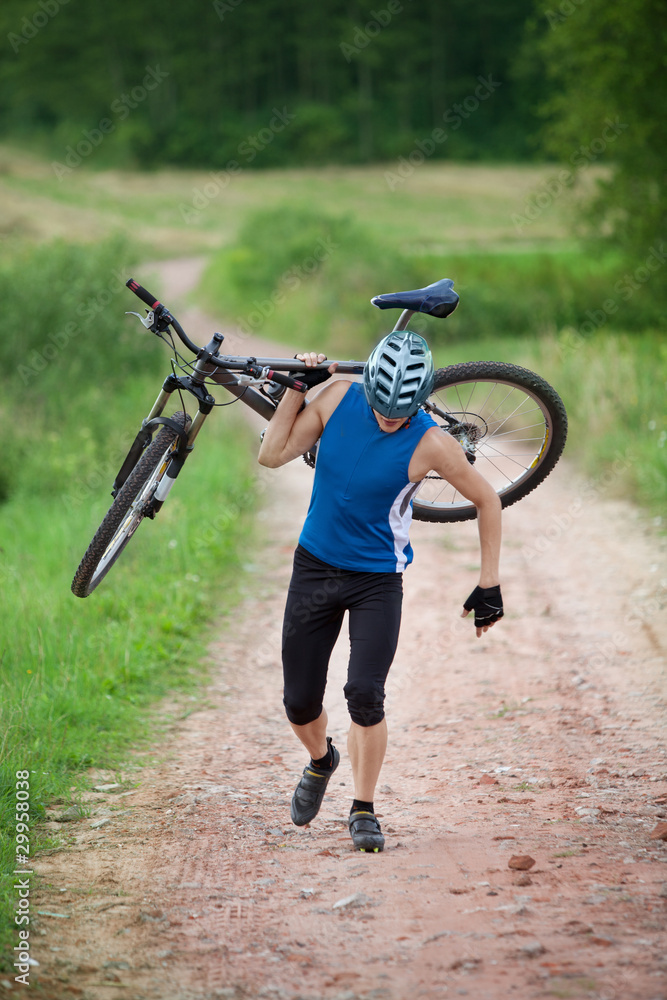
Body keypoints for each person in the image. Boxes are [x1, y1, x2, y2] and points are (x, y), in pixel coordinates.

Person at [257, 330, 503, 852]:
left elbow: (488, 500)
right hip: (315, 568)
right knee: (299, 702)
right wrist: (297, 388)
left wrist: (489, 582)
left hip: (376, 582)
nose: (390, 420)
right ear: (369, 384)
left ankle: (363, 808)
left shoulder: (432, 441)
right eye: (383, 407)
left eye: (402, 412)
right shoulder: (338, 397)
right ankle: (322, 760)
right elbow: (272, 454)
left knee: (365, 695)